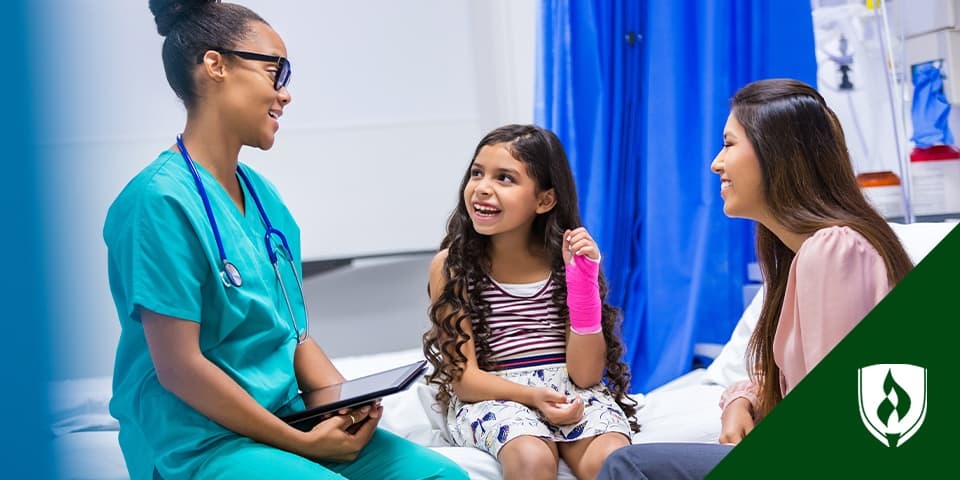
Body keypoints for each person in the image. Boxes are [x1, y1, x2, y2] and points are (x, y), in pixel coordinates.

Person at [104, 2, 469, 479]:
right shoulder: (157, 202)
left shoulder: (264, 199)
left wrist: (349, 405)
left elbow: (294, 335)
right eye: (276, 70)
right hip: (202, 441)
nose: (286, 94)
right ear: (216, 65)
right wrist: (300, 444)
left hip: (291, 417)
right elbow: (180, 368)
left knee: (445, 476)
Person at [597, 78, 914, 479]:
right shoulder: (807, 255)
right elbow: (786, 377)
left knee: (628, 465)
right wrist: (740, 399)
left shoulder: (833, 252)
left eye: (729, 144)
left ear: (776, 154)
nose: (716, 163)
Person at [421, 124, 640, 480]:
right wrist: (534, 397)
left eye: (505, 178)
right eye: (477, 173)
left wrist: (582, 282)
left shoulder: (567, 263)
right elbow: (465, 379)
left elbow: (585, 374)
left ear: (544, 200)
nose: (482, 188)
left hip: (570, 389)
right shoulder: (452, 267)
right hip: (495, 394)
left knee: (613, 461)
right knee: (532, 458)